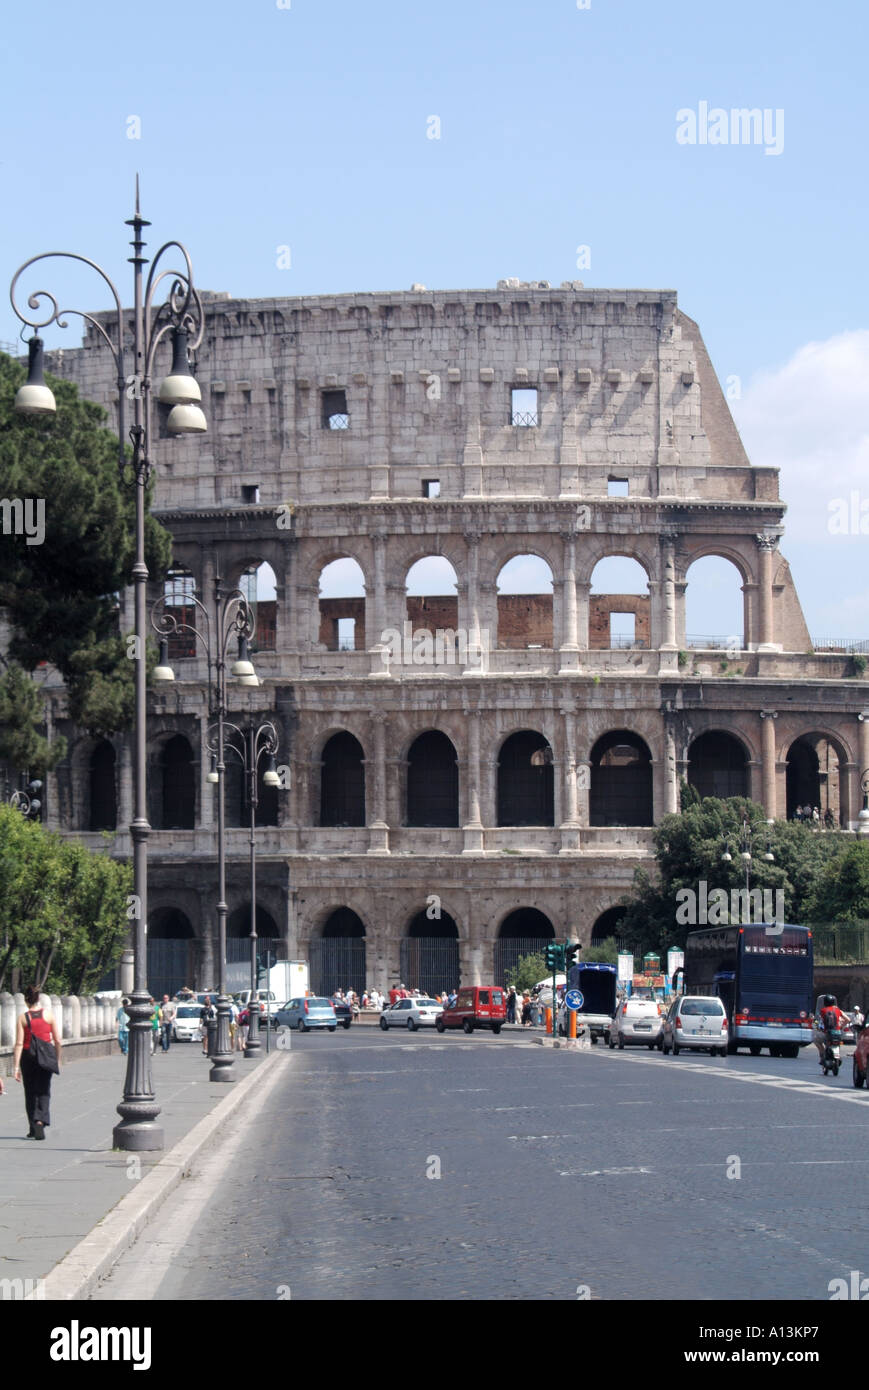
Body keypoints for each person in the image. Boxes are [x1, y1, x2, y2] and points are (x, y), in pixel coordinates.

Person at [12, 986, 62, 1140]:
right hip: (46, 1056)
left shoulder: (22, 1018)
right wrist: (57, 1059)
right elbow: (58, 1040)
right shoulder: (48, 1016)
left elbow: (19, 1043)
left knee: (30, 1091)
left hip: (28, 1056)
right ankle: (40, 1121)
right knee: (44, 1090)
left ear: (26, 1000)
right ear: (38, 999)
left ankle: (32, 1127)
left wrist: (15, 1067)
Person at [815, 994, 848, 1065]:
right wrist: (841, 1026)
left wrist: (818, 1027)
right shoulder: (838, 1010)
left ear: (825, 1002)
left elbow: (819, 1021)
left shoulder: (823, 1010)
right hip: (838, 1032)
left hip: (827, 1033)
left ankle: (822, 1055)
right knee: (838, 1043)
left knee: (816, 1040)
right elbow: (848, 1019)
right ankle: (837, 1055)